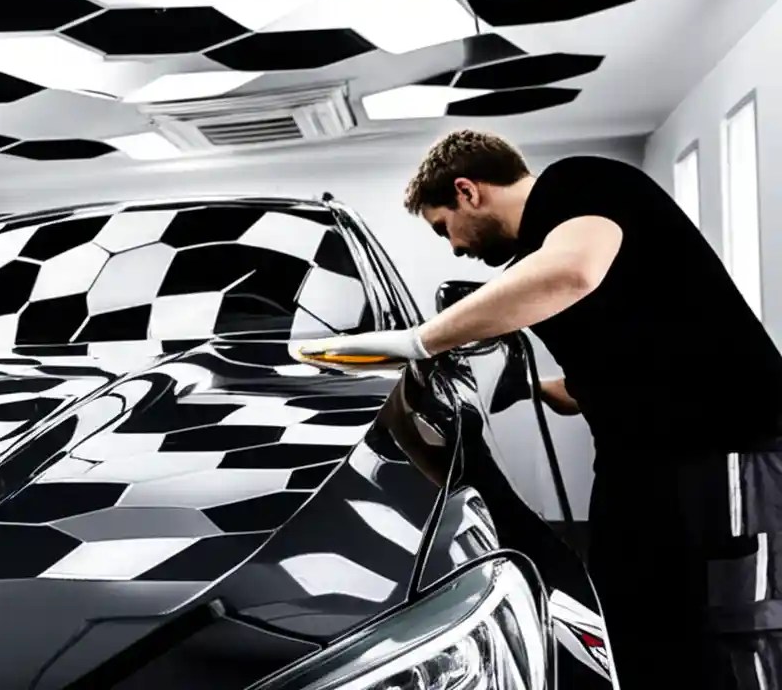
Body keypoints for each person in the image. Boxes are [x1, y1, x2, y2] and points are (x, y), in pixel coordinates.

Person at [296, 129, 782, 688]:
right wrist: (536, 388)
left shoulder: (581, 183)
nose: (454, 248)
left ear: (468, 191)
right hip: (641, 464)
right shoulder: (536, 261)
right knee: (634, 623)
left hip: (721, 452)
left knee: (726, 629)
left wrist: (420, 341)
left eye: (443, 227)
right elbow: (625, 368)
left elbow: (571, 273)